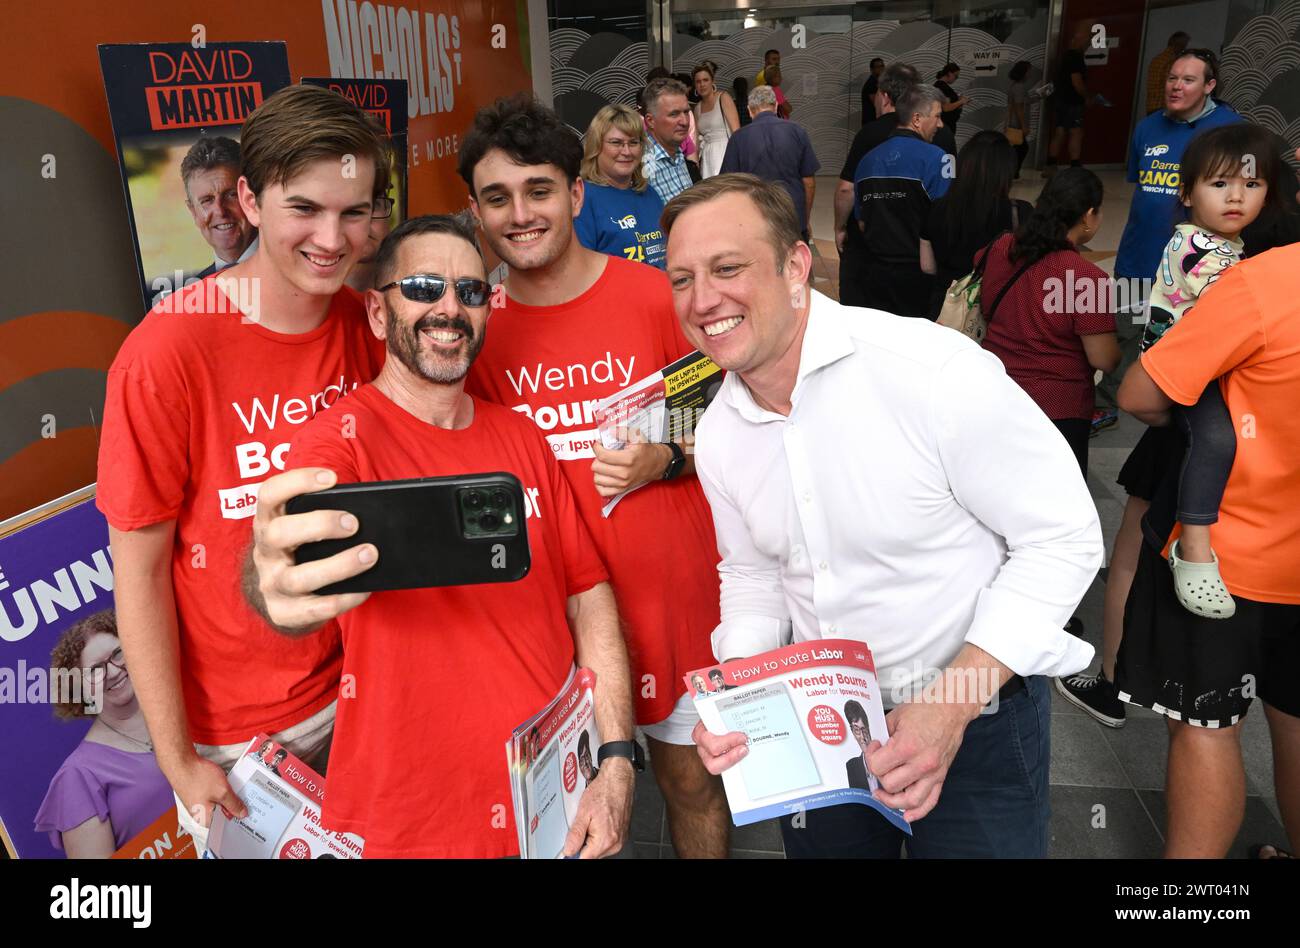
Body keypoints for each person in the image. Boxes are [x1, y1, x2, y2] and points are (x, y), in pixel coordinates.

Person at [666, 174, 1102, 858]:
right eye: (681, 279)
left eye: (727, 269)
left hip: (976, 716)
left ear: (796, 266)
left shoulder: (929, 373)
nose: (701, 300)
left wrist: (949, 704)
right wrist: (744, 692)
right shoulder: (720, 431)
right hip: (824, 729)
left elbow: (1064, 537)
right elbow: (752, 574)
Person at [245, 214, 636, 858]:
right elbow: (280, 566)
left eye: (471, 291)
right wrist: (272, 579)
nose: (449, 308)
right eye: (424, 287)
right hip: (420, 818)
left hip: (554, 788)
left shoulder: (521, 438)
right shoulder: (335, 444)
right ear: (377, 313)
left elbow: (587, 594)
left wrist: (617, 759)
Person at [96, 84, 390, 854]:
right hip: (244, 741)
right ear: (251, 201)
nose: (333, 238)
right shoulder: (166, 354)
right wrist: (178, 759)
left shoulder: (368, 328)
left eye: (353, 211)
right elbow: (140, 572)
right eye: (306, 209)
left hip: (367, 686)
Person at [456, 96, 730, 859]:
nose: (520, 214)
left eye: (539, 190)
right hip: (546, 623)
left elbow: (736, 436)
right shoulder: (470, 332)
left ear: (576, 195)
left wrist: (668, 458)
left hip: (674, 608)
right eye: (497, 197)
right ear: (475, 210)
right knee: (568, 812)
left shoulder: (655, 300)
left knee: (692, 788)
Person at [1115, 240, 1300, 860]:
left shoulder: (1263, 283)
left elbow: (1141, 393)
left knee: (1205, 730)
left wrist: (1204, 424)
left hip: (1229, 557)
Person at [1138, 124, 1275, 619]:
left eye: (1251, 184)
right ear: (1187, 192)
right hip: (1182, 373)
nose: (1236, 197)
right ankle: (1193, 546)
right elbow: (1238, 307)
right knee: (1217, 439)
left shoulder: (1230, 246)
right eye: (1219, 185)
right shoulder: (1200, 249)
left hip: (1205, 364)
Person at [1098, 49, 1241, 430]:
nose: (1176, 86)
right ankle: (1107, 404)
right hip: (1138, 254)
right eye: (1172, 78)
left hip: (1194, 266)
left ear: (1210, 86)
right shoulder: (1147, 127)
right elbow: (1141, 188)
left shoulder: (1230, 131)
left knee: (1181, 340)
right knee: (1125, 332)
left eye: (1189, 80)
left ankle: (1174, 411)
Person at [978, 168, 1120, 477]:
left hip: (995, 390)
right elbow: (1103, 358)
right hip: (1058, 408)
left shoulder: (1001, 248)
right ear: (1088, 215)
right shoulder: (1086, 279)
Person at [34, 611, 175, 858]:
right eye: (96, 670)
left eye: (118, 653)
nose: (113, 671)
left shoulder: (183, 708)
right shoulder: (77, 777)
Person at [853, 84, 951, 318]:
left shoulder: (867, 160)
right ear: (917, 119)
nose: (940, 124)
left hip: (875, 273)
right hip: (919, 276)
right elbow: (945, 218)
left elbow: (862, 222)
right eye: (937, 116)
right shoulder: (939, 158)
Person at [920, 130, 1033, 319]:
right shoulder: (1020, 212)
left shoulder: (938, 208)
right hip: (997, 313)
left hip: (946, 310)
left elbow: (927, 266)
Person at [836, 62, 921, 306]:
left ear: (884, 96)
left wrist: (840, 227)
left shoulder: (869, 134)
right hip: (915, 247)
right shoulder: (937, 133)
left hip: (870, 243)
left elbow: (846, 189)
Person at [719, 86, 819, 241]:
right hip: (792, 215)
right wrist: (804, 219)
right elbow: (809, 182)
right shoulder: (798, 131)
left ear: (749, 110)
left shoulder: (738, 138)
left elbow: (728, 185)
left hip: (754, 218)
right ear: (776, 106)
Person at [575, 104, 667, 269]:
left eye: (633, 142)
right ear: (597, 146)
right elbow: (580, 272)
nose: (626, 151)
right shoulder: (583, 199)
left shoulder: (650, 194)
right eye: (616, 142)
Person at [181, 136, 257, 280]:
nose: (220, 211)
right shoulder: (189, 295)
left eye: (231, 195)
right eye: (207, 200)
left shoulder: (294, 272)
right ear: (193, 213)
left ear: (253, 198)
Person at [1045, 24, 1092, 175]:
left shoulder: (1064, 56)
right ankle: (1075, 165)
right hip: (1072, 102)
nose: (1088, 45)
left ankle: (1050, 165)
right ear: (1080, 40)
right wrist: (1087, 97)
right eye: (1087, 41)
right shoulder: (1076, 58)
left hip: (1060, 100)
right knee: (1076, 132)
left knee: (1059, 131)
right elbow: (1077, 82)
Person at [642, 77, 695, 205]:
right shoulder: (641, 165)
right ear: (650, 121)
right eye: (674, 114)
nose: (685, 121)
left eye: (686, 112)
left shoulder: (677, 153)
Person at [692, 62, 739, 179]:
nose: (702, 84)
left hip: (725, 151)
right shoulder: (697, 108)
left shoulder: (723, 97)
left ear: (712, 81)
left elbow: (736, 132)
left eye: (705, 80)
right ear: (695, 86)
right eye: (698, 81)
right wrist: (696, 163)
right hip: (707, 156)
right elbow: (696, 141)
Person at [1145, 31, 1189, 116]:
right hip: (1162, 106)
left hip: (1151, 105)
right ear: (1177, 45)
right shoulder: (1171, 62)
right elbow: (1171, 85)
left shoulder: (1157, 59)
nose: (1184, 49)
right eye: (1184, 46)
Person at [843, 700, 878, 793]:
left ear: (868, 727)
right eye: (857, 731)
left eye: (864, 730)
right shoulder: (852, 766)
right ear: (852, 732)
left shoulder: (884, 754)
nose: (862, 737)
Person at [1006, 61, 1032, 178]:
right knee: (1021, 148)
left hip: (1013, 123)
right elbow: (1019, 108)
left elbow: (1011, 106)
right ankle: (1013, 171)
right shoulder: (1019, 88)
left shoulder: (1013, 86)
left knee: (1018, 148)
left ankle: (1013, 171)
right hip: (1017, 124)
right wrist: (1024, 125)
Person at [934, 63, 970, 137]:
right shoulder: (942, 87)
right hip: (945, 126)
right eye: (956, 76)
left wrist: (959, 101)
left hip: (946, 125)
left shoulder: (942, 86)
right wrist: (961, 101)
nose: (956, 79)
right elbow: (946, 108)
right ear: (949, 73)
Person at [861, 57, 884, 126]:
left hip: (875, 121)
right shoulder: (871, 83)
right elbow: (877, 104)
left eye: (882, 66)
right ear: (872, 69)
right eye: (877, 67)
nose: (881, 68)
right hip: (870, 122)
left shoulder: (878, 82)